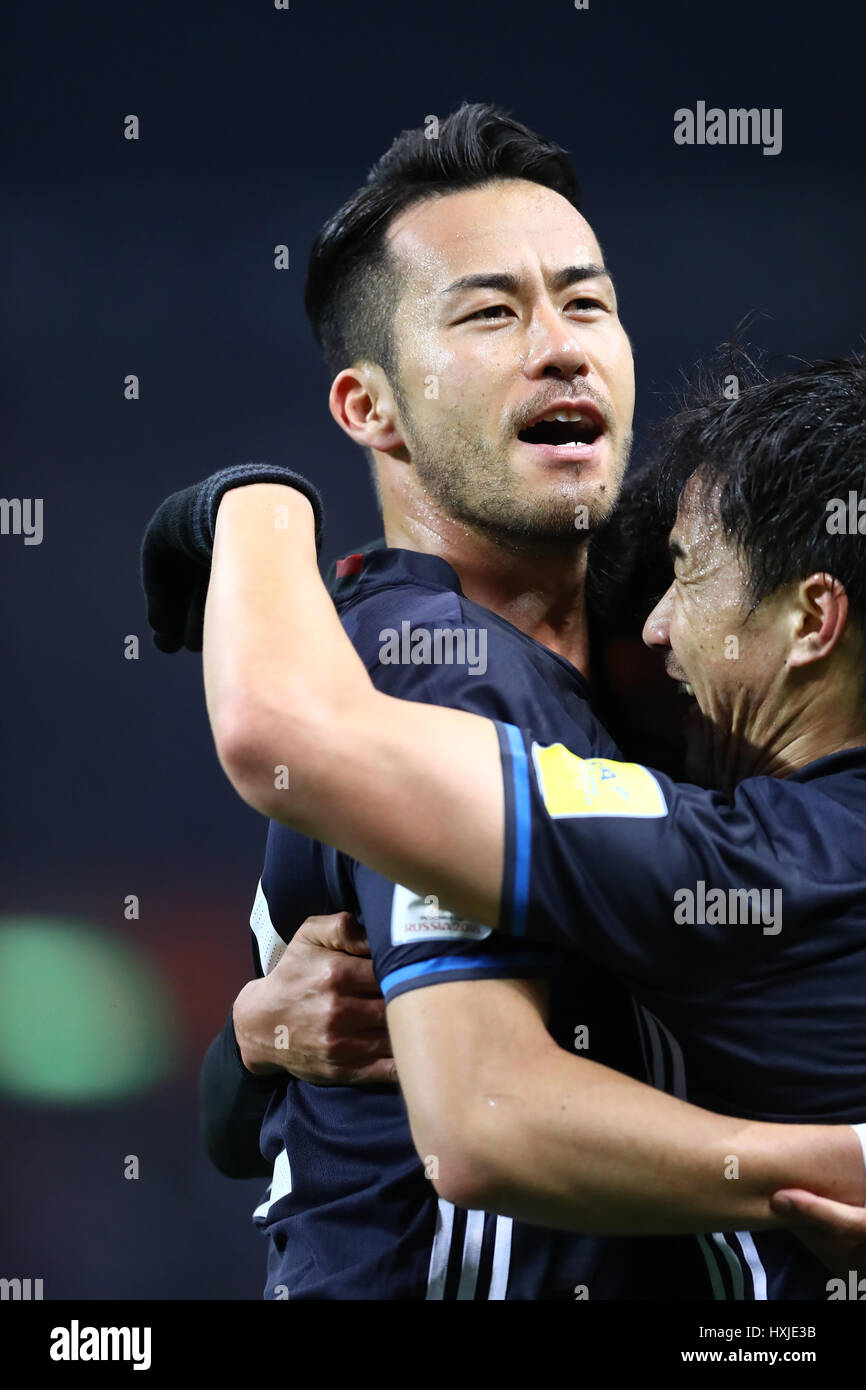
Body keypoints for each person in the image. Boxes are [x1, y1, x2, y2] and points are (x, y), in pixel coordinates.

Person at [143, 357, 866, 1297]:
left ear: (813, 619)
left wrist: (256, 508)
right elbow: (246, 1121)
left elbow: (290, 734)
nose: (657, 627)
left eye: (687, 576)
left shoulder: (754, 865)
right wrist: (252, 1042)